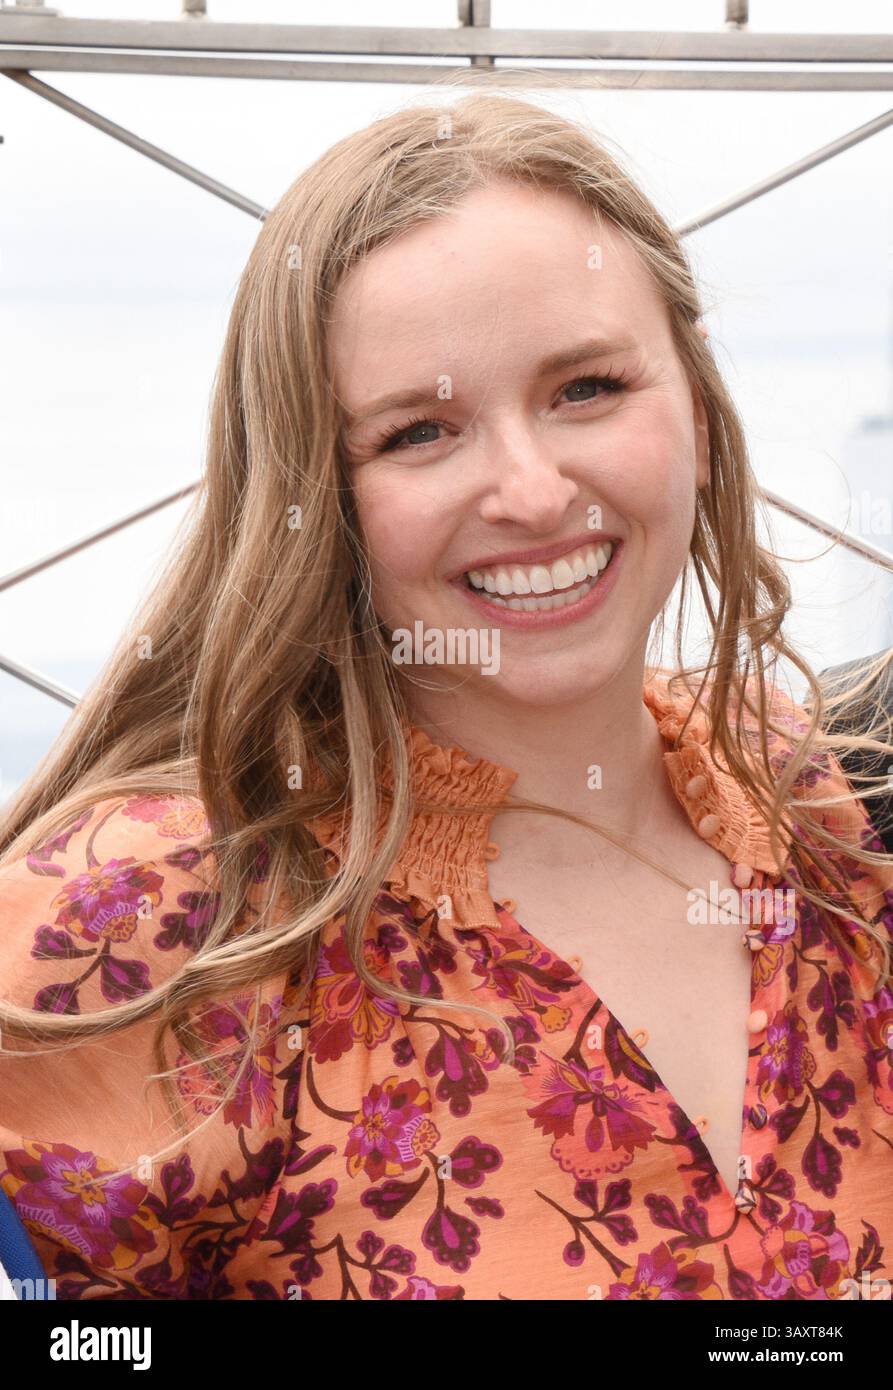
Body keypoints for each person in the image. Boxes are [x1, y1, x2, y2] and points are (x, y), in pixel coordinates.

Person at [1, 80, 892, 1302]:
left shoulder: (822, 811)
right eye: (419, 433)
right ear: (313, 494)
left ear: (692, 400)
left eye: (585, 388)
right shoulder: (147, 917)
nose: (530, 491)